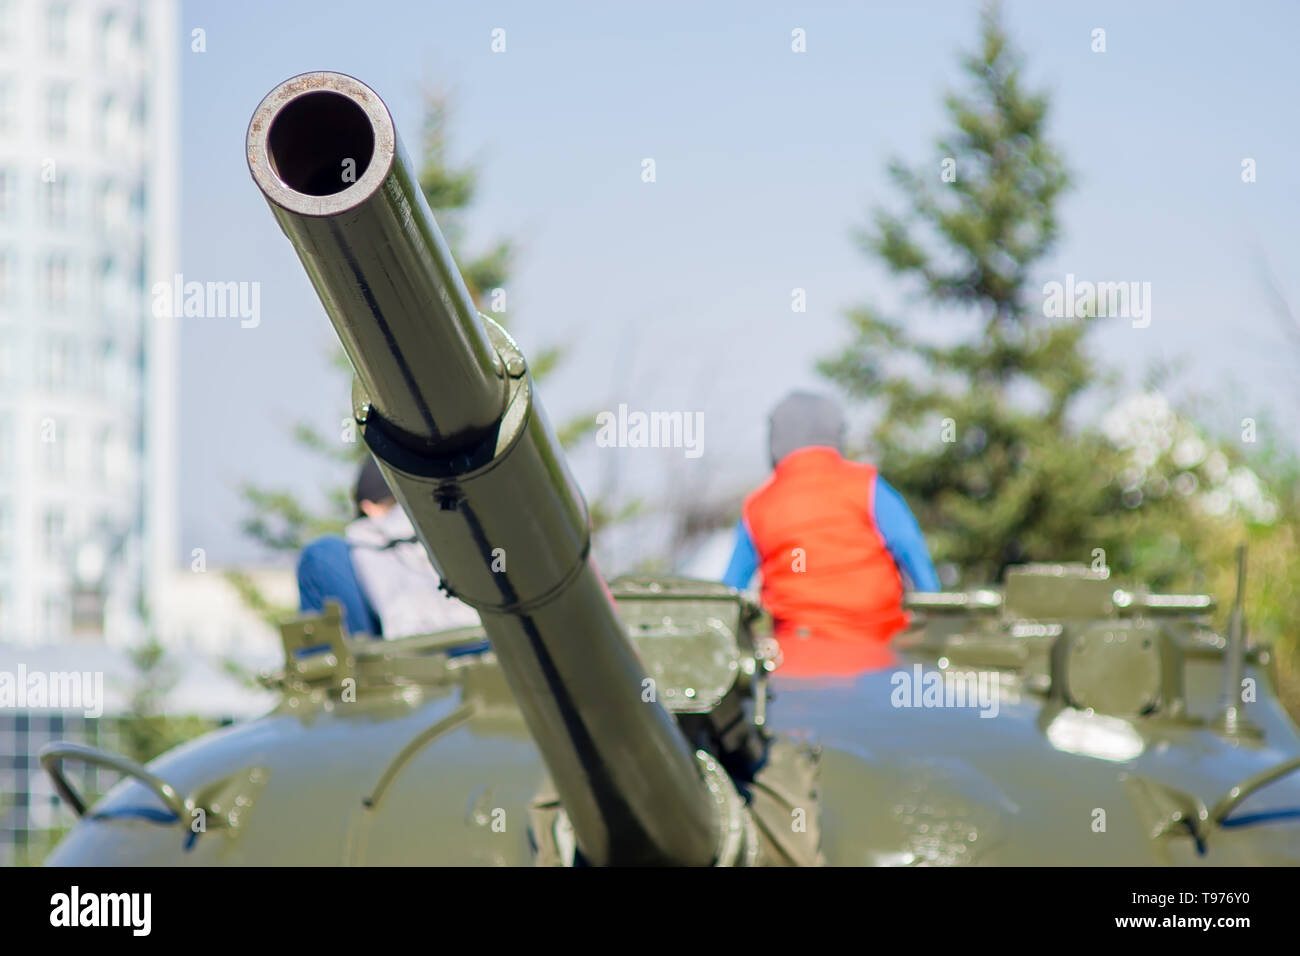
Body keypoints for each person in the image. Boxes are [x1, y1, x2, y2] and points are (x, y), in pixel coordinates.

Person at [722, 391, 939, 677]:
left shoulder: (759, 505)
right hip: (880, 654)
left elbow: (729, 593)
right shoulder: (869, 486)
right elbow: (912, 550)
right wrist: (934, 611)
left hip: (794, 663)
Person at [296, 457, 481, 640]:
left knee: (322, 554)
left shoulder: (339, 550)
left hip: (428, 637)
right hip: (474, 628)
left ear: (368, 507)